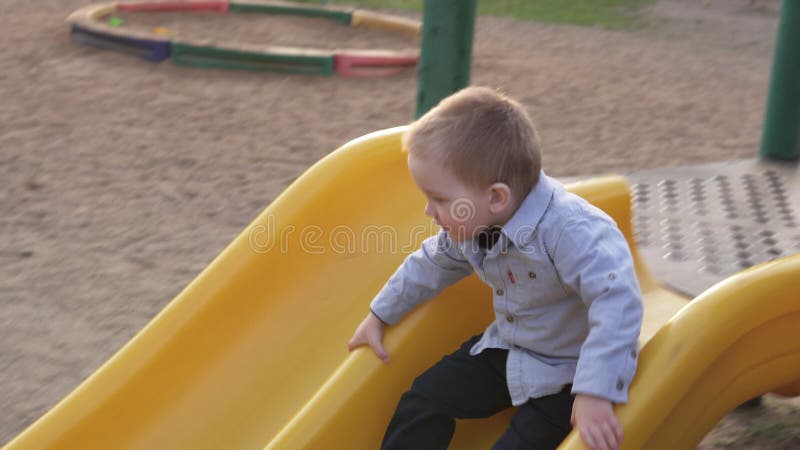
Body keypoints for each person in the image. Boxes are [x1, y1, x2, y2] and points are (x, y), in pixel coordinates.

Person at [347, 86, 643, 450]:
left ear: (496, 197)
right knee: (423, 400)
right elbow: (431, 263)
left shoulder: (573, 231)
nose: (429, 211)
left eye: (439, 199)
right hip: (510, 349)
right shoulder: (472, 224)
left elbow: (617, 300)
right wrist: (379, 315)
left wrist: (595, 391)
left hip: (569, 372)